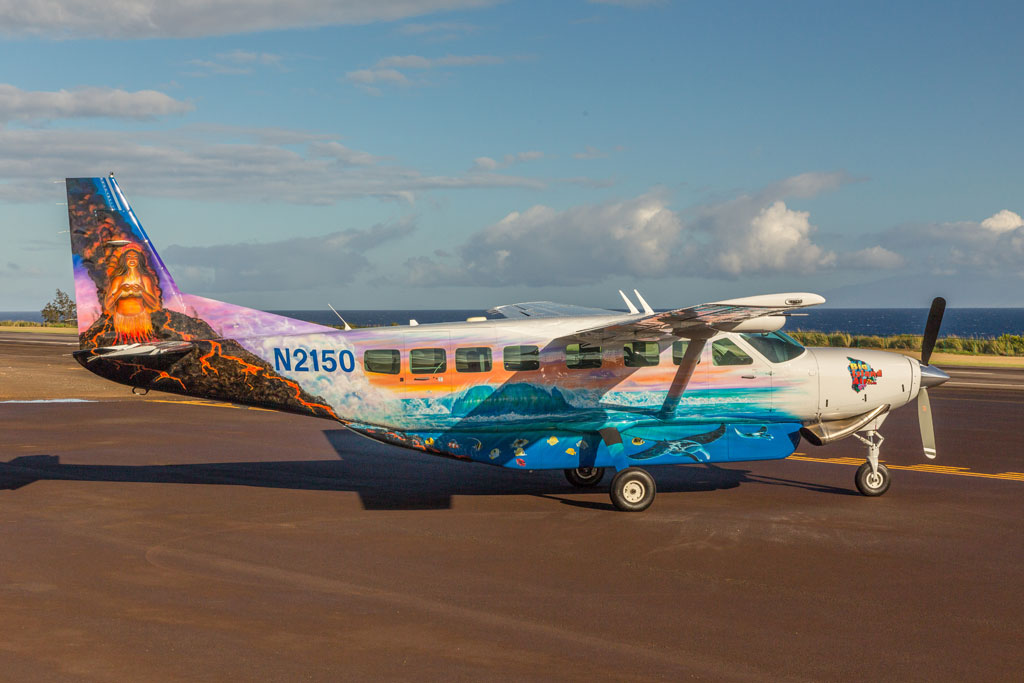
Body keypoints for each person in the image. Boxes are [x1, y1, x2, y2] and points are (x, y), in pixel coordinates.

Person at [103, 244, 162, 343]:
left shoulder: (145, 279)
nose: (132, 259)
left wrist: (142, 291)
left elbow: (154, 303)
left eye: (135, 257)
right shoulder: (118, 279)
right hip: (122, 321)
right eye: (128, 256)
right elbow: (108, 304)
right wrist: (120, 291)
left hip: (141, 320)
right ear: (124, 260)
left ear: (139, 260)